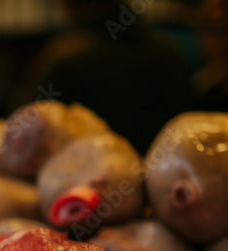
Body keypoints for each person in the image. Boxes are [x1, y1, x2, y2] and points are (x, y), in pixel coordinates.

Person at [16, 0, 192, 153]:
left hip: (85, 174)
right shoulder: (168, 51)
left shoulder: (66, 57)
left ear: (71, 5)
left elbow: (25, 129)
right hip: (164, 172)